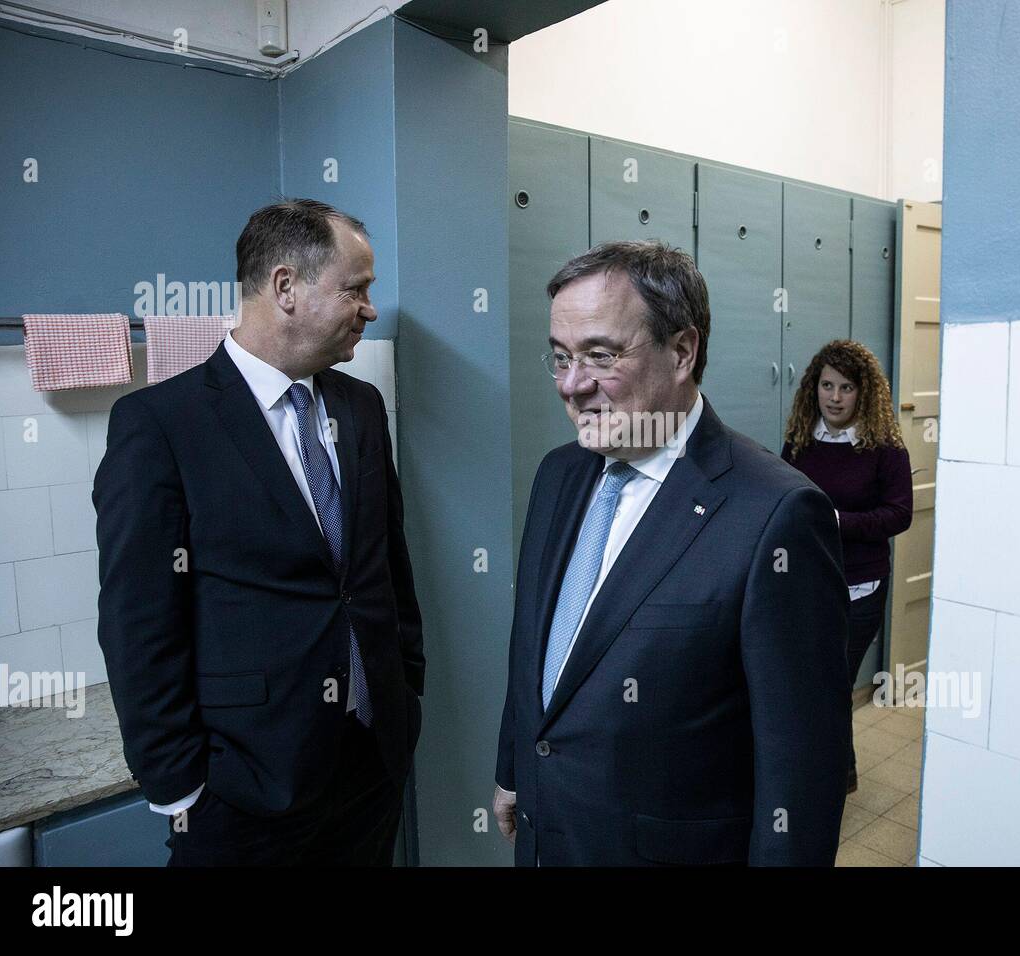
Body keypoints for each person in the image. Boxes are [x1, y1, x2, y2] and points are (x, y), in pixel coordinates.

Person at [492, 240, 852, 866]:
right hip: (548, 836)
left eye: (600, 357)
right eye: (559, 358)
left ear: (682, 351)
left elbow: (801, 766)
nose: (572, 387)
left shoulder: (776, 515)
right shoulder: (559, 475)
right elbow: (536, 644)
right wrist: (513, 767)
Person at [94, 199, 424, 865]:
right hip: (243, 795)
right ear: (285, 288)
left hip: (369, 768)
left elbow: (388, 568)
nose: (369, 308)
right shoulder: (161, 425)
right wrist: (180, 788)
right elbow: (137, 623)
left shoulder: (360, 408)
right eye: (356, 289)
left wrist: (406, 689)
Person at [780, 340, 913, 794]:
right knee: (813, 683)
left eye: (846, 388)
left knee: (832, 684)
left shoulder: (884, 447)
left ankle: (826, 780)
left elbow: (899, 514)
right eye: (827, 386)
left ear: (864, 393)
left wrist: (837, 522)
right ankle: (839, 772)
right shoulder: (801, 438)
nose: (834, 397)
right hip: (805, 584)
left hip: (860, 586)